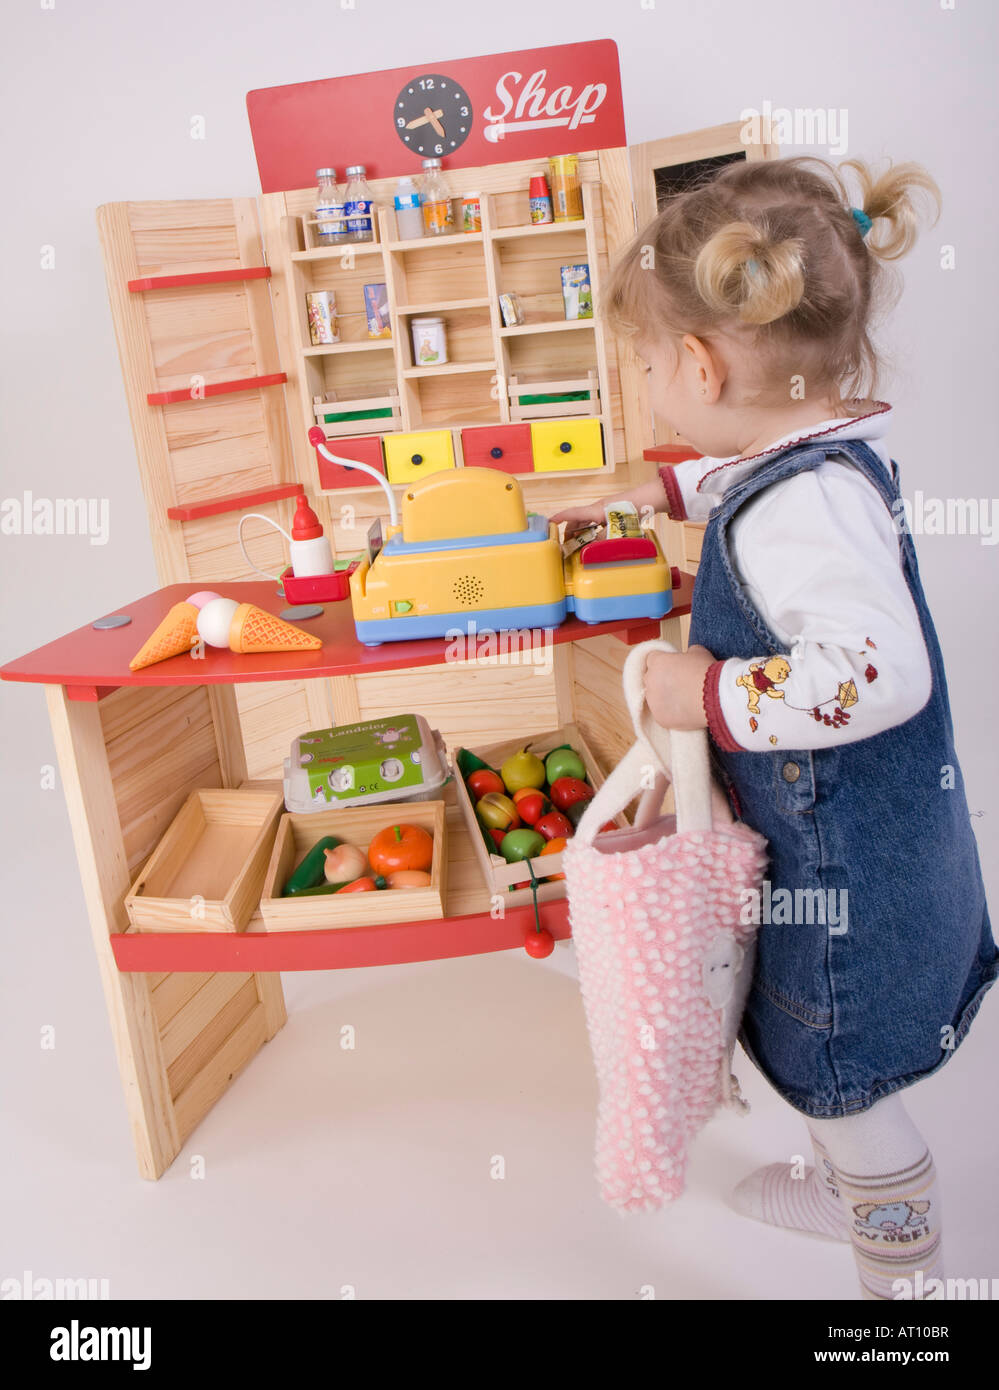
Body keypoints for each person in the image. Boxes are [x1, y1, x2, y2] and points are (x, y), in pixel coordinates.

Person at [552, 156, 996, 1300]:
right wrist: (659, 496)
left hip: (853, 876)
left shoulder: (802, 506)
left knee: (846, 1081)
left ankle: (904, 1290)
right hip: (874, 846)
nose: (650, 377)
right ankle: (843, 1177)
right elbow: (762, 471)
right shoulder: (814, 448)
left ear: (698, 363)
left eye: (649, 360)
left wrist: (702, 694)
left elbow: (876, 672)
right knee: (819, 1067)